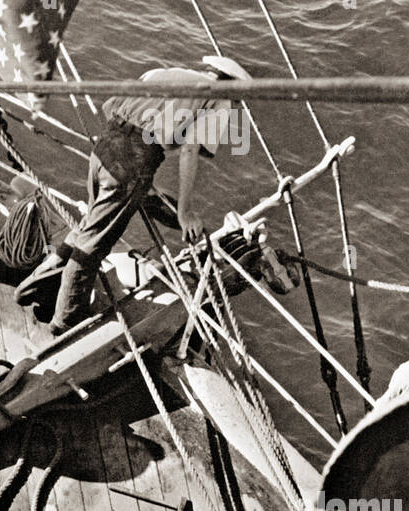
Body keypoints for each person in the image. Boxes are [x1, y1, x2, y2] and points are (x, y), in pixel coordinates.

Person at [16, 55, 251, 334]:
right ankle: (64, 324)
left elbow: (114, 109)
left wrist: (138, 174)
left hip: (105, 148)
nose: (235, 106)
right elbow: (189, 151)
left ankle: (32, 289)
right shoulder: (218, 99)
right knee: (93, 246)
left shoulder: (165, 73)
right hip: (132, 165)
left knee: (87, 226)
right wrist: (184, 212)